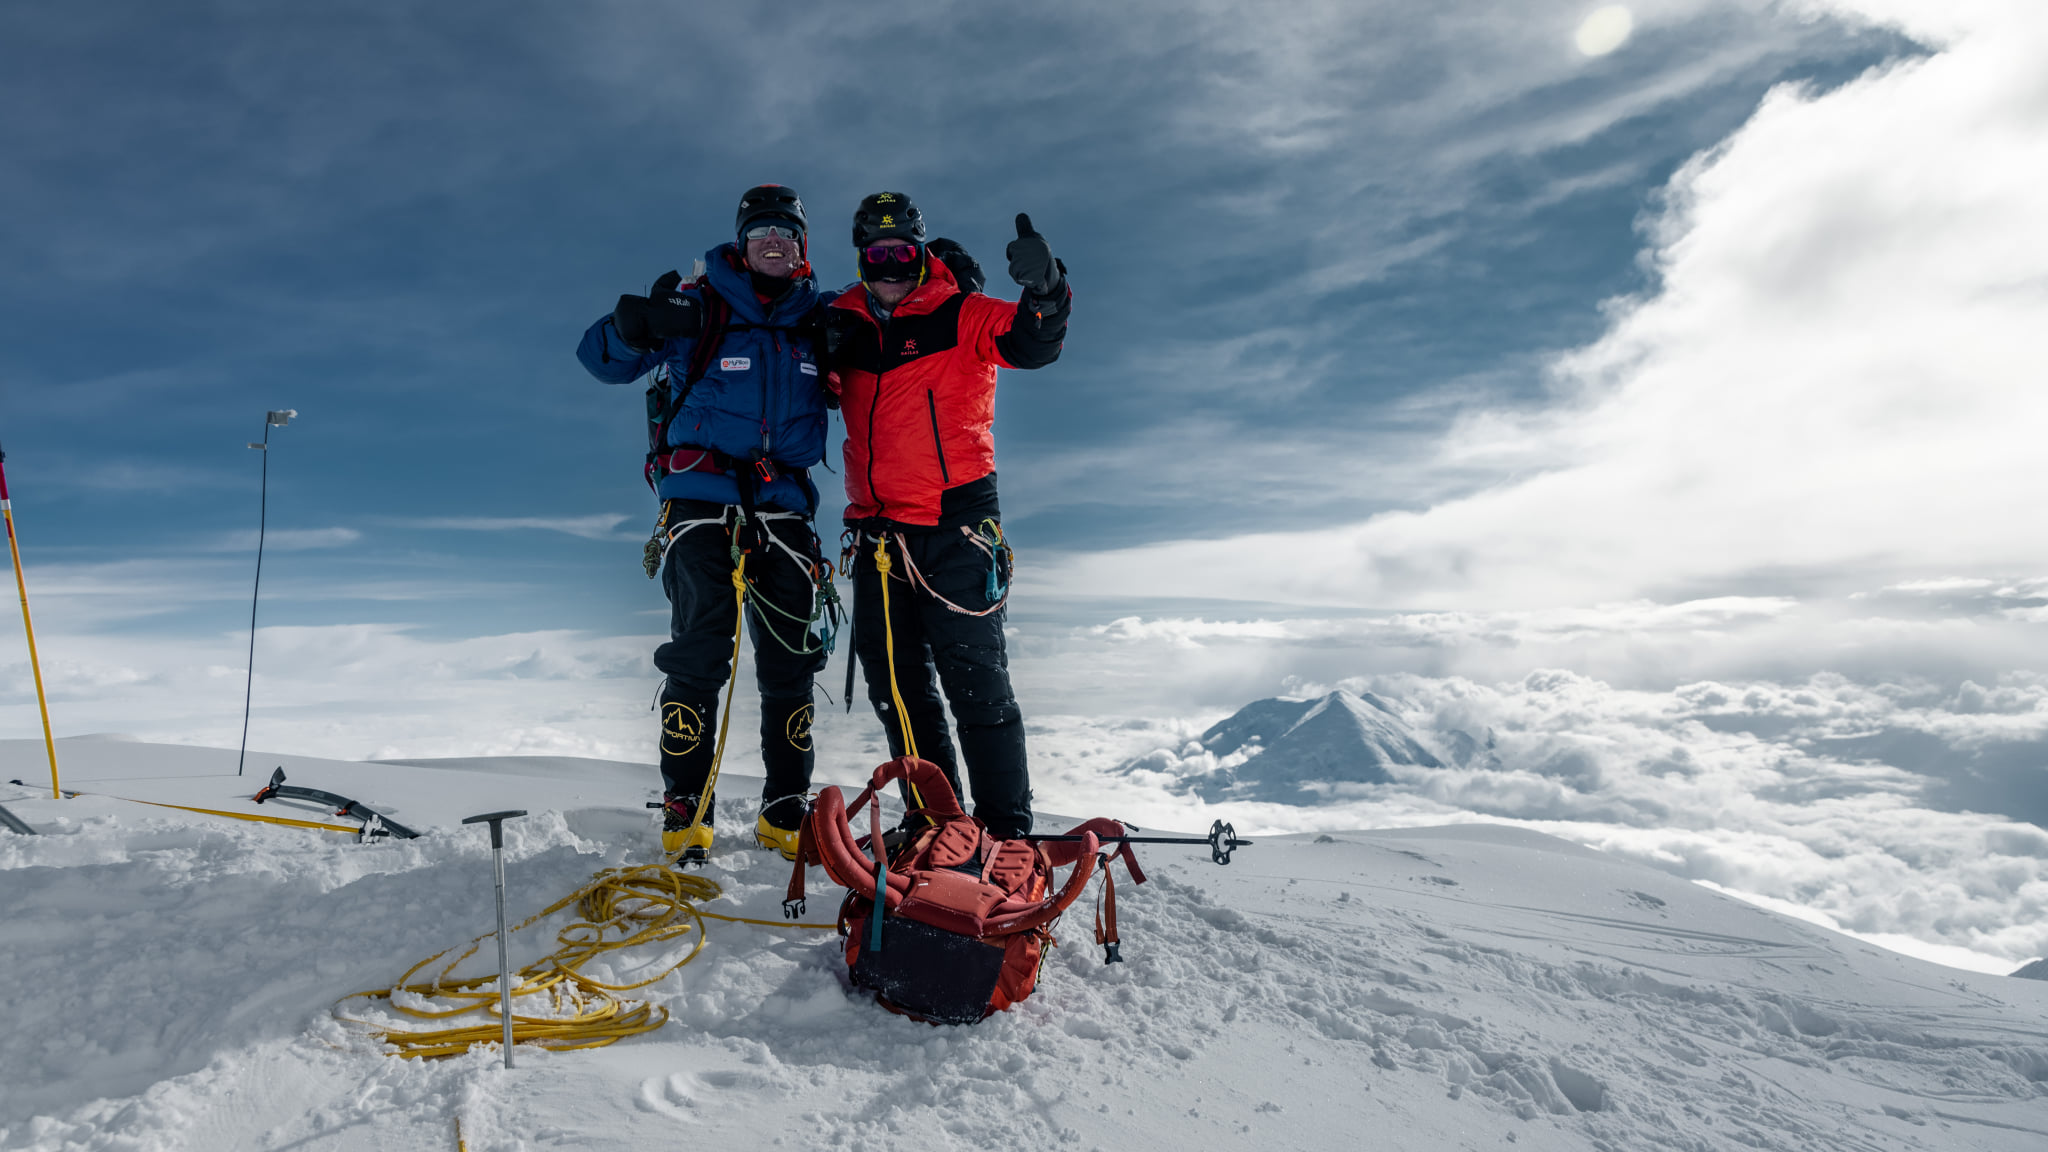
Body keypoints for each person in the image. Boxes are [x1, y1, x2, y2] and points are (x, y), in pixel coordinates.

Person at [575, 184, 834, 865]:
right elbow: (600, 360)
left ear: (802, 247)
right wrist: (631, 325)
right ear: (742, 244)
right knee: (697, 656)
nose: (774, 241)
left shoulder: (825, 317)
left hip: (785, 507)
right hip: (700, 501)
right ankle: (686, 814)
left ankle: (785, 815)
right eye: (760, 232)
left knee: (790, 664)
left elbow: (896, 356)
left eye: (786, 231)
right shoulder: (699, 307)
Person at [823, 192, 1071, 838]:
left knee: (977, 687)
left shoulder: (961, 312)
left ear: (922, 251)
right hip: (875, 535)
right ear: (860, 258)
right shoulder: (841, 324)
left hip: (956, 523)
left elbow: (1032, 341)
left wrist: (1045, 287)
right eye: (877, 255)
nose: (892, 267)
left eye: (904, 252)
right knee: (898, 693)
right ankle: (937, 824)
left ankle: (1007, 832)